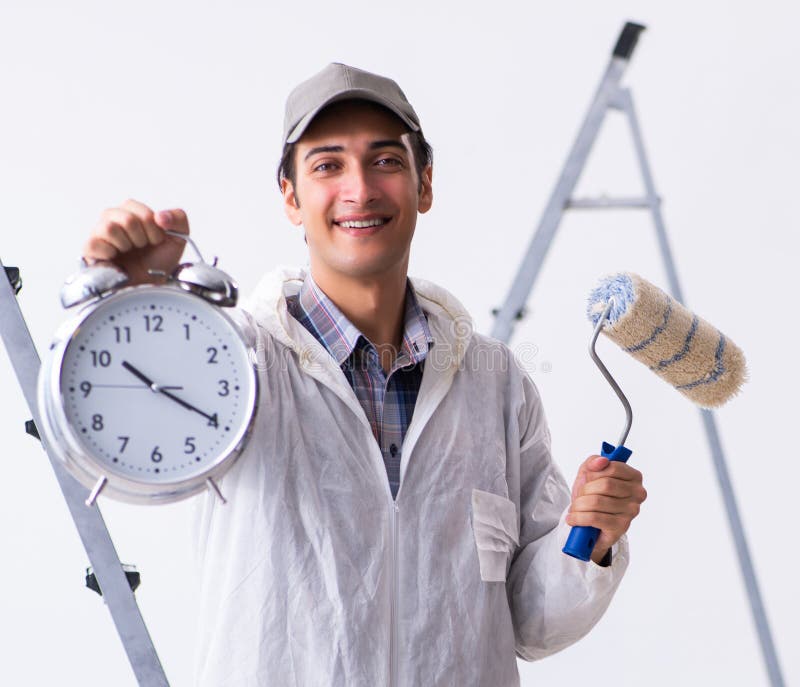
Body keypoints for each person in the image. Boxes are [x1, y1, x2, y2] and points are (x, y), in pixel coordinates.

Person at [82, 63, 646, 687]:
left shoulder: (495, 382)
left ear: (423, 184)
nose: (359, 189)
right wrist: (135, 315)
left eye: (385, 161)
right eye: (328, 165)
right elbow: (116, 454)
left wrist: (589, 536)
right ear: (291, 198)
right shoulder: (235, 362)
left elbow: (531, 624)